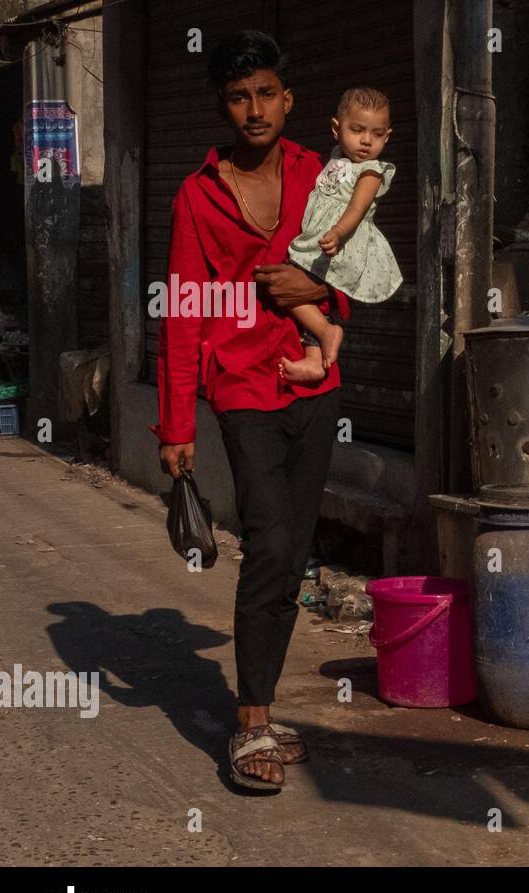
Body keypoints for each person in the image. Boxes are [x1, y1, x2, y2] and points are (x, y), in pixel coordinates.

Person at [154, 30, 347, 790]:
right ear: (224, 107)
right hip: (241, 389)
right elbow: (182, 318)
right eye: (239, 97)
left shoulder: (320, 175)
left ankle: (261, 698)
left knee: (292, 551)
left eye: (266, 93)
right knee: (267, 537)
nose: (254, 109)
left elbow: (357, 268)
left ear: (288, 99)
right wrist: (175, 427)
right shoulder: (198, 195)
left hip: (315, 383)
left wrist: (319, 299)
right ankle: (251, 721)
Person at [278, 86, 402, 384]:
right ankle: (314, 356)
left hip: (341, 244)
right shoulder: (336, 158)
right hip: (320, 242)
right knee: (299, 291)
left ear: (387, 136)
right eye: (357, 130)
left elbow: (357, 209)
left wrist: (338, 232)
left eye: (376, 133)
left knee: (285, 287)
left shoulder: (372, 171)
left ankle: (324, 332)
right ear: (337, 129)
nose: (366, 140)